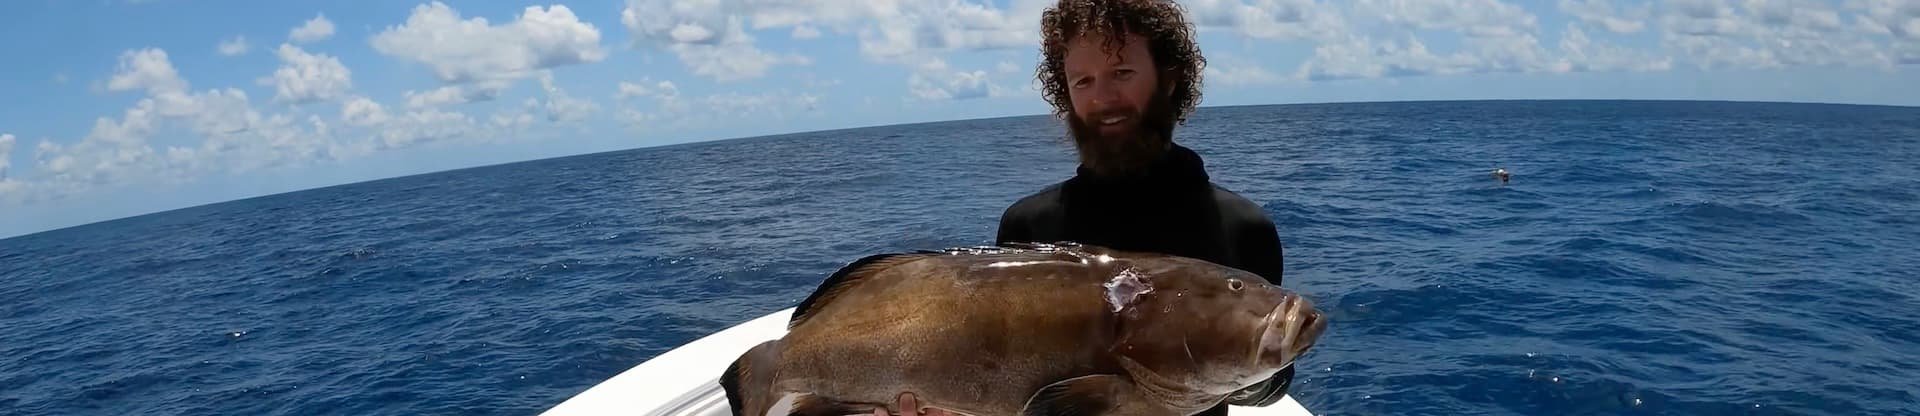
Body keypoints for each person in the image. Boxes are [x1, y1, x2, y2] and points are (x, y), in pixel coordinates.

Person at [880, 1, 1295, 416]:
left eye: (1122, 73)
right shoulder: (1028, 226)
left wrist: (1248, 367)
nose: (1102, 98)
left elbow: (1267, 384)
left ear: (1169, 78)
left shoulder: (1242, 228)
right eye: (1082, 81)